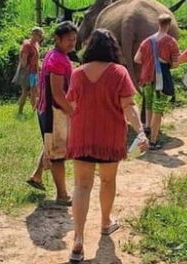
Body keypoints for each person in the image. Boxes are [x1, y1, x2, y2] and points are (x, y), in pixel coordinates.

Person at [65, 29, 148, 263]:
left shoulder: (77, 73)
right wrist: (140, 131)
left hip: (82, 135)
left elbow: (72, 102)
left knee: (81, 186)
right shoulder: (119, 72)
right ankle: (105, 223)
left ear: (89, 47)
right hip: (109, 137)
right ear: (113, 48)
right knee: (107, 181)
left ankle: (78, 239)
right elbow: (129, 107)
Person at [25, 22, 77, 206]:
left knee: (53, 145)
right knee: (58, 154)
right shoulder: (56, 59)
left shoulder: (57, 55)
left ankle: (37, 176)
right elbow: (57, 93)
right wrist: (72, 112)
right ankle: (62, 195)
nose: (73, 43)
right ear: (57, 38)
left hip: (51, 110)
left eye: (74, 39)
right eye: (69, 39)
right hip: (54, 111)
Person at [134, 14, 180, 150]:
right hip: (161, 79)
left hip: (146, 78)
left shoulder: (147, 41)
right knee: (158, 109)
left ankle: (147, 127)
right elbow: (176, 64)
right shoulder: (171, 42)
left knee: (148, 103)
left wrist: (149, 61)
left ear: (158, 24)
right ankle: (153, 141)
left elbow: (137, 59)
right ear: (169, 25)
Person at [14, 27, 44, 116]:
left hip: (34, 71)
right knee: (27, 91)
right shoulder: (27, 45)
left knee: (33, 91)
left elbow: (36, 59)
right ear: (34, 34)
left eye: (41, 36)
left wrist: (40, 66)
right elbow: (23, 61)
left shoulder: (36, 44)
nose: (41, 38)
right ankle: (22, 111)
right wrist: (26, 73)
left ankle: (32, 111)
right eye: (39, 36)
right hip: (28, 72)